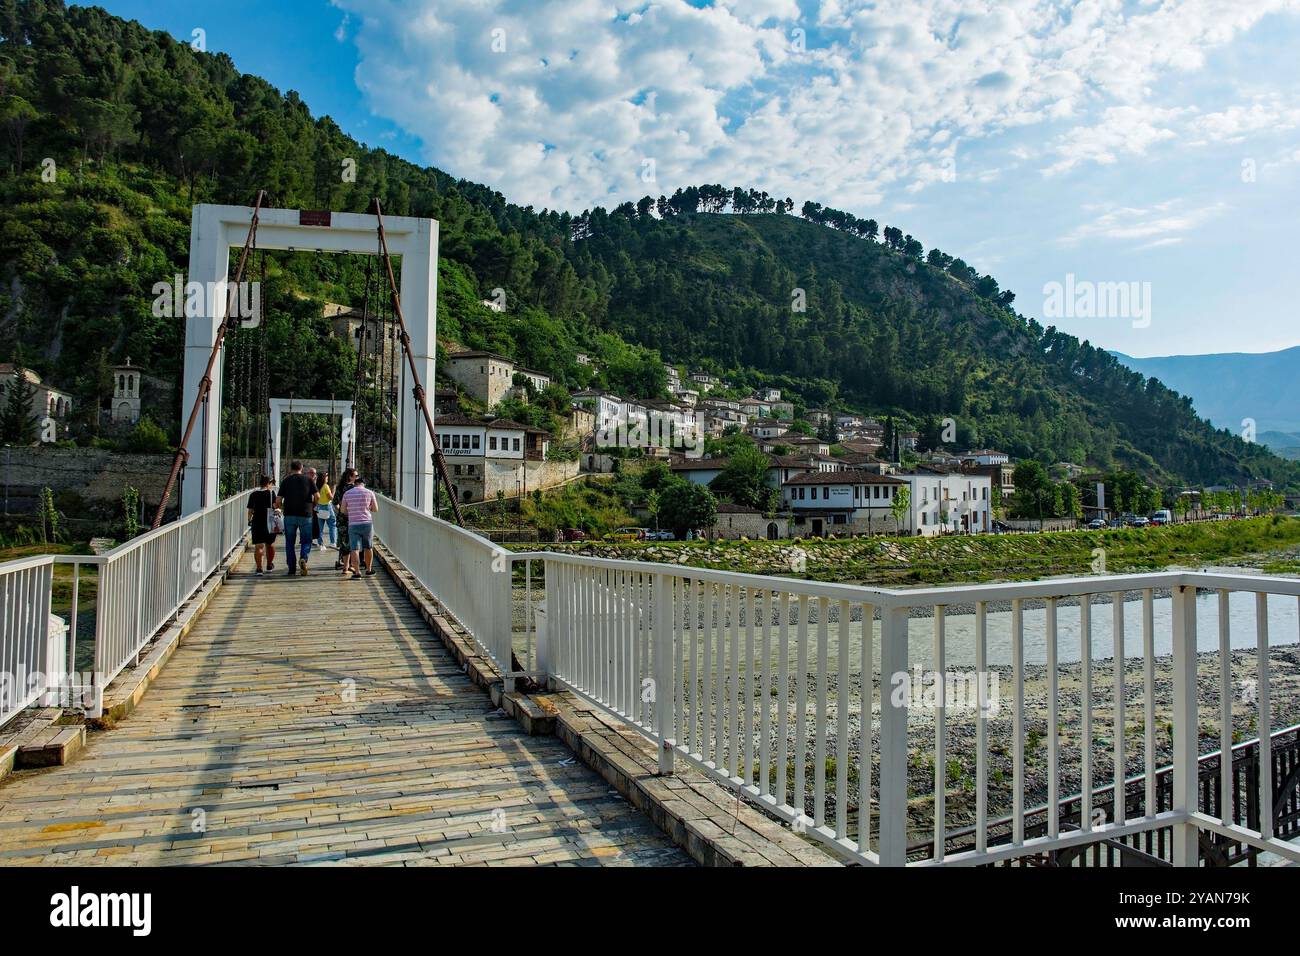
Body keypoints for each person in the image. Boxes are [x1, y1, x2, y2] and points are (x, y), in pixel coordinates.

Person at [275, 460, 317, 576]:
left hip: (289, 515)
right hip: (306, 514)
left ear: (291, 468)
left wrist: (281, 508)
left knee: (289, 542)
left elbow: (278, 500)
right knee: (306, 540)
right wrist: (313, 506)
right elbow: (317, 496)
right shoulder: (309, 480)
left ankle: (291, 567)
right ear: (301, 468)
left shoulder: (286, 481)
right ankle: (303, 558)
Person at [339, 474, 378, 579]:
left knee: (354, 548)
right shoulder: (370, 493)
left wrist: (351, 511)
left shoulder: (347, 493)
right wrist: (368, 507)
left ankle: (357, 573)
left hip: (353, 524)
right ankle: (369, 570)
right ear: (363, 484)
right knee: (368, 547)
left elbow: (342, 510)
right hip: (367, 523)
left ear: (354, 484)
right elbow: (375, 509)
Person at [246, 474, 277, 576]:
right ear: (268, 484)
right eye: (271, 483)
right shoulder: (272, 493)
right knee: (270, 544)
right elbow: (275, 507)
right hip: (269, 521)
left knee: (259, 545)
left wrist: (249, 520)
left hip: (257, 521)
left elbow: (250, 510)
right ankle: (269, 565)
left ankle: (259, 569)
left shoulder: (253, 494)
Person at [334, 468, 356, 572]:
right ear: (350, 476)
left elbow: (335, 503)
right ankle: (351, 565)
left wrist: (342, 511)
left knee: (343, 542)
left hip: (342, 519)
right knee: (353, 542)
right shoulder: (354, 489)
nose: (357, 478)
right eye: (355, 476)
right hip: (353, 519)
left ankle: (345, 566)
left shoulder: (339, 488)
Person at [314, 470, 336, 549]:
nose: (327, 478)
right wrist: (333, 491)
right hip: (327, 507)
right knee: (332, 525)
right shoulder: (326, 486)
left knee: (320, 528)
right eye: (326, 476)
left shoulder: (317, 486)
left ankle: (321, 544)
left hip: (319, 507)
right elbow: (331, 497)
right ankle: (333, 542)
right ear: (324, 478)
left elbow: (316, 498)